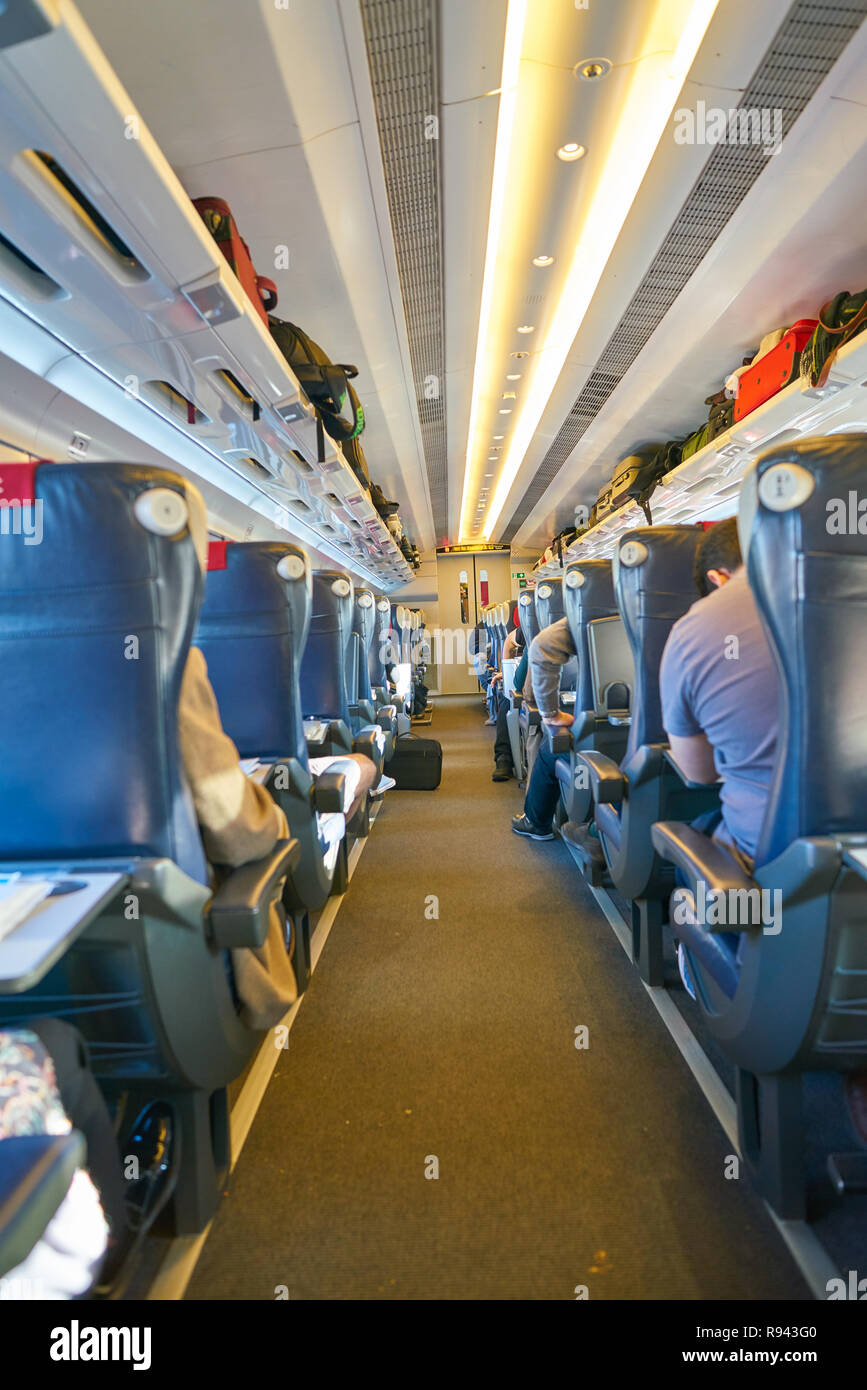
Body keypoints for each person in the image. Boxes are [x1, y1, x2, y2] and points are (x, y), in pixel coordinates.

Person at [659, 516, 777, 873]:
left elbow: (701, 772)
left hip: (771, 853)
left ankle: (741, 925)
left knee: (694, 843)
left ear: (718, 578)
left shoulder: (693, 630)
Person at [511, 616, 577, 837]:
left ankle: (537, 822)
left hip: (592, 740)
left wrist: (550, 713)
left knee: (549, 750)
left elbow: (522, 687)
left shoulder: (588, 610)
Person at [492, 624, 526, 781]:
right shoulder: (535, 623)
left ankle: (504, 756)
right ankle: (504, 756)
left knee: (510, 697)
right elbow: (508, 642)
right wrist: (506, 672)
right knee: (509, 696)